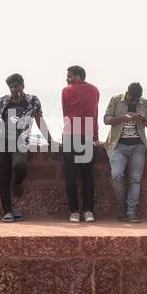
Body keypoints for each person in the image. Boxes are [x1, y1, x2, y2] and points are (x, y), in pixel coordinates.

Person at [0, 74, 44, 222]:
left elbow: (39, 120)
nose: (14, 89)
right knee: (3, 176)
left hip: (21, 142)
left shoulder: (32, 101)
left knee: (20, 166)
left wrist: (50, 141)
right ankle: (7, 210)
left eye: (17, 86)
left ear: (23, 86)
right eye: (11, 87)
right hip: (1, 142)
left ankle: (17, 183)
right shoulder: (2, 101)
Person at [103, 82, 147, 223]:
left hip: (138, 146)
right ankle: (121, 206)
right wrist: (123, 117)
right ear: (128, 94)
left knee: (135, 179)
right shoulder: (115, 100)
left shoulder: (144, 103)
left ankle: (131, 211)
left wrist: (142, 119)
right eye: (133, 99)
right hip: (118, 145)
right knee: (116, 175)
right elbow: (106, 119)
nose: (135, 102)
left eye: (137, 100)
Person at [61, 65, 100, 222]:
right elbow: (95, 114)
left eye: (69, 76)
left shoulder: (66, 90)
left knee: (70, 175)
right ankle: (88, 211)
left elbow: (65, 113)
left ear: (77, 77)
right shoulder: (94, 90)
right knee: (87, 175)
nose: (67, 79)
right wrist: (95, 136)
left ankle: (74, 212)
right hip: (87, 135)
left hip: (70, 134)